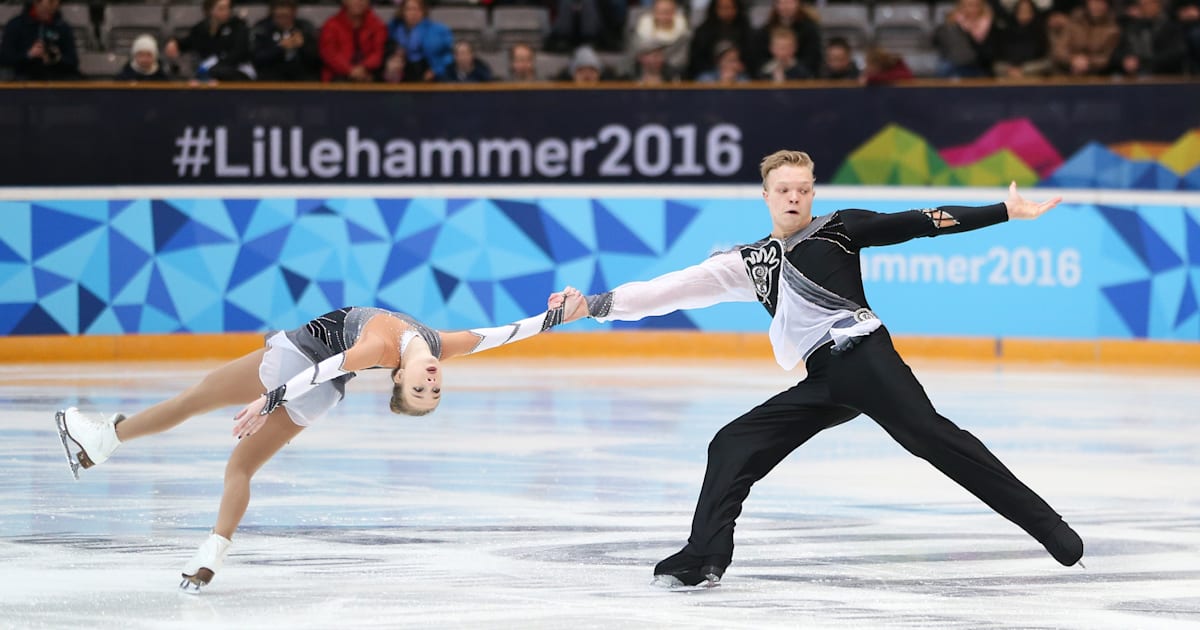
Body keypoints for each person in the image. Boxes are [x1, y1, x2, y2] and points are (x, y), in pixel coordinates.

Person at [556, 150, 1084, 588]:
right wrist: (594, 305)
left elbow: (921, 222)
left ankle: (1053, 531)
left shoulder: (840, 230)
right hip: (824, 380)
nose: (793, 197)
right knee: (732, 443)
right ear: (765, 196)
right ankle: (704, 555)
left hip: (866, 358)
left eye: (803, 189)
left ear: (813, 194)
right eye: (783, 189)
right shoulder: (751, 262)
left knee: (933, 438)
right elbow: (669, 289)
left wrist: (1003, 211)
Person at [55, 295, 581, 592]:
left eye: (420, 390)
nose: (430, 382)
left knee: (193, 400)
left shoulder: (379, 345)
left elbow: (327, 365)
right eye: (433, 390)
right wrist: (569, 312)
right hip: (322, 393)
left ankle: (103, 440)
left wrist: (267, 400)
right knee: (240, 469)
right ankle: (212, 552)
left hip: (299, 367)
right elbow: (510, 331)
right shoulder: (444, 344)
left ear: (397, 379)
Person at [164, 0, 255, 81]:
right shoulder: (201, 29)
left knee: (214, 73)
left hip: (237, 69)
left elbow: (238, 53)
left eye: (228, 8)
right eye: (221, 8)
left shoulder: (238, 26)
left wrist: (217, 65)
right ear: (210, 10)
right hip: (209, 70)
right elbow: (188, 42)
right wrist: (175, 43)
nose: (226, 12)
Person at [0, 0, 80, 81]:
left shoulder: (62, 27)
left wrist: (57, 58)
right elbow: (5, 59)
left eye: (57, 3)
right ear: (36, 2)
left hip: (56, 81)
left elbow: (73, 61)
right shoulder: (16, 25)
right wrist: (28, 55)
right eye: (50, 2)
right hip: (22, 82)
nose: (53, 7)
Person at [252, 0, 321, 82]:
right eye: (279, 11)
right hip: (272, 73)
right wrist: (280, 47)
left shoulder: (305, 28)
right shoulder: (262, 28)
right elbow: (257, 58)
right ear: (272, 11)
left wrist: (303, 45)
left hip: (300, 74)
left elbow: (317, 60)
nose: (283, 14)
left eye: (286, 12)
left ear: (294, 12)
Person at [319, 0, 388, 82]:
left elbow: (379, 52)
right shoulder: (331, 25)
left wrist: (364, 67)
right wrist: (350, 70)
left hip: (369, 73)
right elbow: (329, 54)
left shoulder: (378, 25)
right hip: (338, 76)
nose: (358, 2)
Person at [387, 0, 453, 82]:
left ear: (423, 11)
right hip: (402, 75)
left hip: (430, 76)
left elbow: (448, 56)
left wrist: (435, 70)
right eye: (409, 9)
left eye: (416, 9)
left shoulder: (438, 30)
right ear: (402, 11)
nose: (413, 13)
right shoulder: (394, 30)